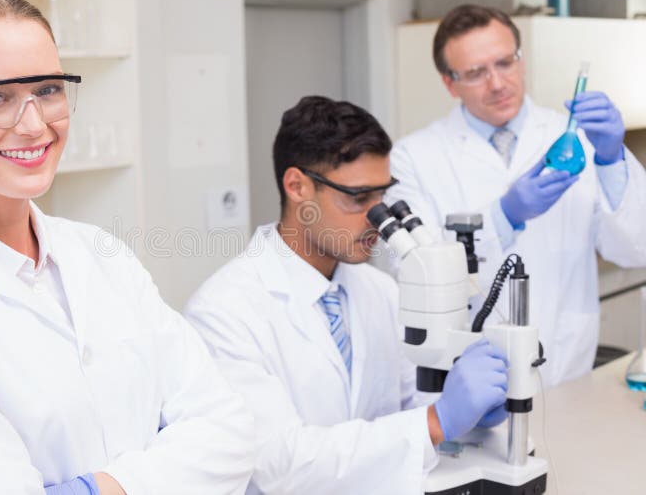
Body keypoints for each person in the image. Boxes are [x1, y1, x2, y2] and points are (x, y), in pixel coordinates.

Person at [0, 0, 255, 495]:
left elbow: (229, 433)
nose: (34, 124)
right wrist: (165, 469)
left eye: (47, 89)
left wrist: (91, 487)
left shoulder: (101, 255)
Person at [184, 95, 509, 494]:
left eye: (382, 196)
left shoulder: (381, 290)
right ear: (297, 186)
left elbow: (411, 404)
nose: (379, 218)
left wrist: (470, 412)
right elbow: (280, 464)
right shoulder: (222, 312)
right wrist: (438, 420)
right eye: (358, 198)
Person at [386, 4, 646, 387]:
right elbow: (414, 272)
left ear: (520, 60)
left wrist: (609, 157)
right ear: (449, 82)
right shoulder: (413, 157)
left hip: (564, 373)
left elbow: (636, 249)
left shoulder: (578, 141)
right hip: (465, 382)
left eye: (505, 63)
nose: (496, 83)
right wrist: (504, 216)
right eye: (476, 72)